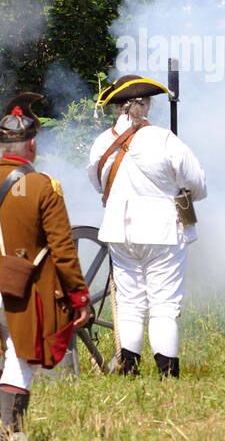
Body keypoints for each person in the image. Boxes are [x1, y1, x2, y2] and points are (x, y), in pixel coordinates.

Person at [0, 94, 91, 441]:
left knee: (12, 356)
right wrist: (79, 296)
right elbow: (63, 249)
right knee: (21, 360)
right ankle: (12, 439)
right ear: (31, 144)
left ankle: (10, 435)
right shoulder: (44, 186)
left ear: (0, 144)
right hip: (27, 291)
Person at [86, 75, 207, 377]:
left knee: (129, 304)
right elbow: (198, 185)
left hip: (120, 231)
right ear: (142, 105)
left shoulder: (102, 143)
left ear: (120, 108)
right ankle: (167, 375)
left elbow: (97, 182)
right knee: (163, 305)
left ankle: (130, 371)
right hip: (162, 231)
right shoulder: (164, 139)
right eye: (148, 101)